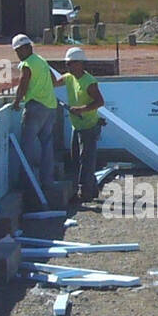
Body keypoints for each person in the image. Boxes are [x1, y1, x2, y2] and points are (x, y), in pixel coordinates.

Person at [10, 33, 59, 198]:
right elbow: (53, 80)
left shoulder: (28, 63)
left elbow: (23, 82)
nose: (18, 54)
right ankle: (47, 181)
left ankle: (28, 182)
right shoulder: (41, 60)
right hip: (51, 106)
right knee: (47, 145)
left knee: (27, 145)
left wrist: (17, 102)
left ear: (25, 48)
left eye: (18, 51)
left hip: (35, 107)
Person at [61, 46, 105, 203]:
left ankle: (85, 193)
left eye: (70, 63)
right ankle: (91, 190)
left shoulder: (89, 82)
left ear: (80, 63)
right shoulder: (69, 77)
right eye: (67, 64)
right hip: (77, 126)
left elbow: (100, 102)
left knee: (86, 160)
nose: (68, 66)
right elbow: (52, 82)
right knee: (78, 159)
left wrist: (81, 109)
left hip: (89, 126)